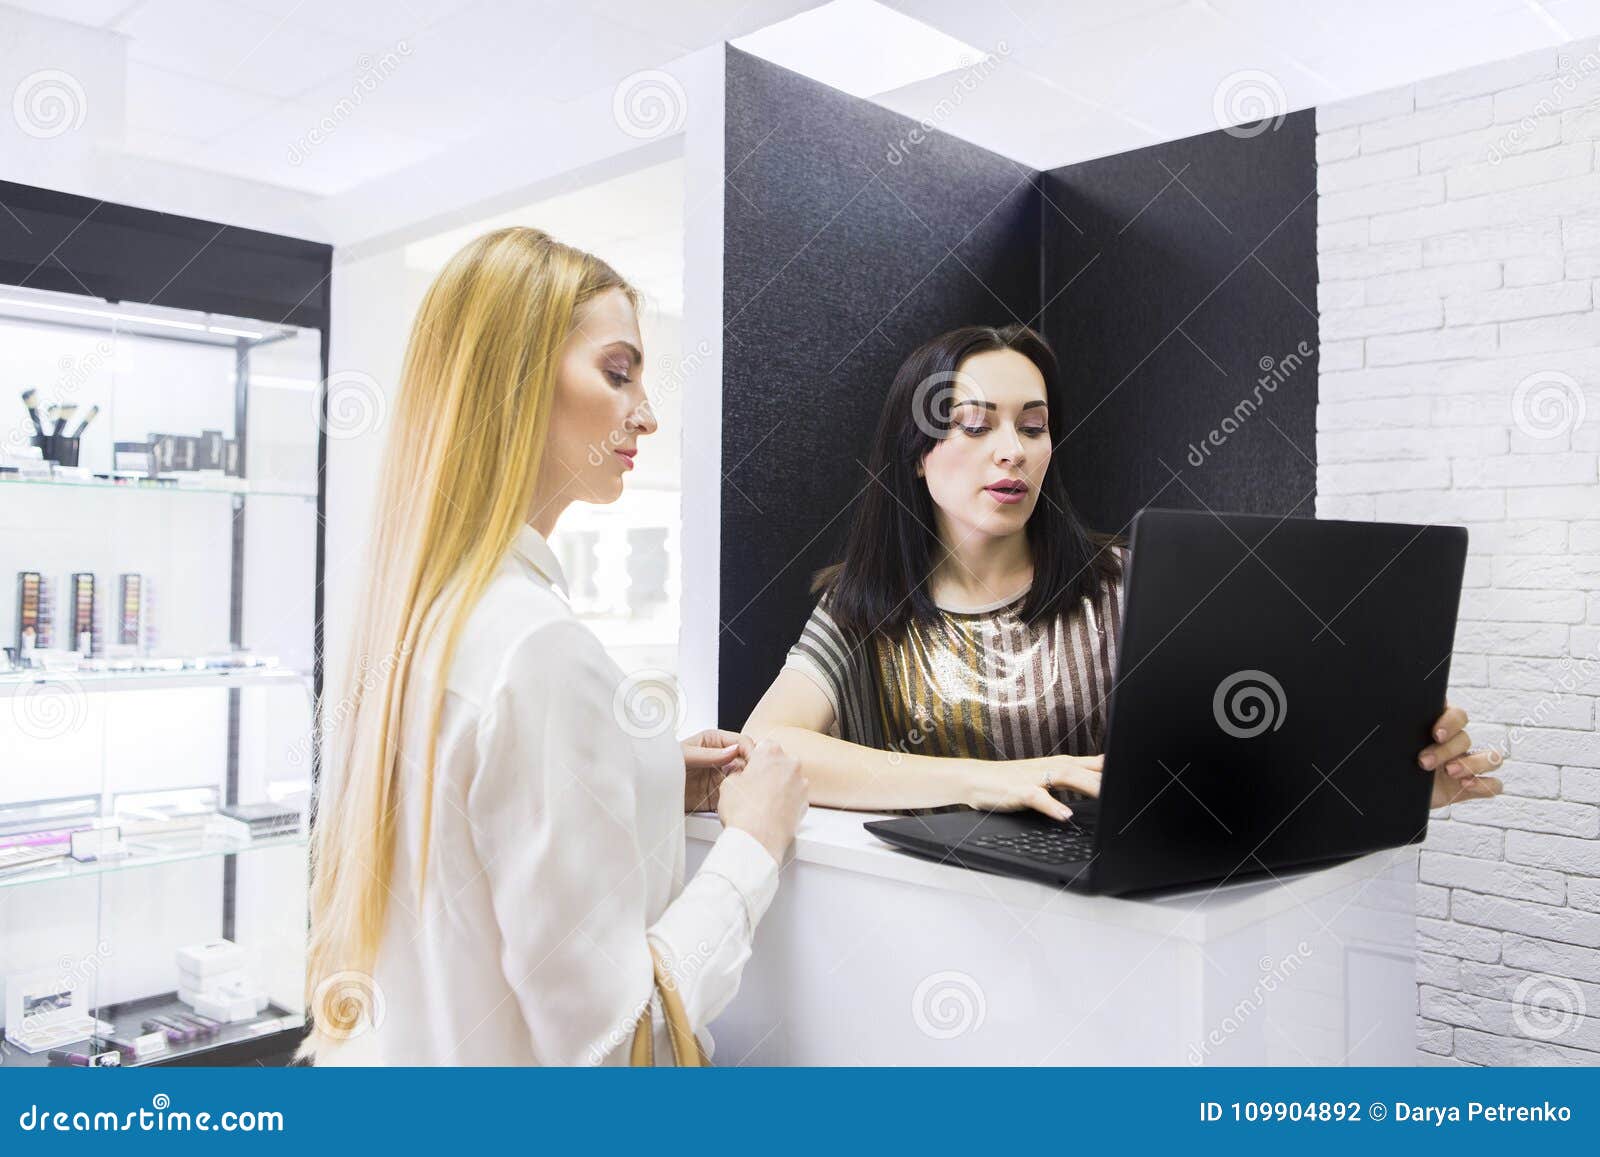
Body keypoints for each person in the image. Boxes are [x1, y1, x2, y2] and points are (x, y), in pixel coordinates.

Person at [302, 228, 807, 1065]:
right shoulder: (536, 649)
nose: (645, 412)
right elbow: (616, 1043)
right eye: (618, 373)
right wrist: (752, 847)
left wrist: (638, 774)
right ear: (516, 379)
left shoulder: (420, 617)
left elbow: (473, 846)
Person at [743, 323, 1502, 819]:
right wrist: (986, 780)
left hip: (1112, 934)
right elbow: (771, 748)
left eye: (1033, 427)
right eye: (976, 424)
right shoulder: (861, 607)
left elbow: (1251, 747)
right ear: (916, 452)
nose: (1012, 449)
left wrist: (1393, 783)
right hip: (923, 930)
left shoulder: (1123, 584)